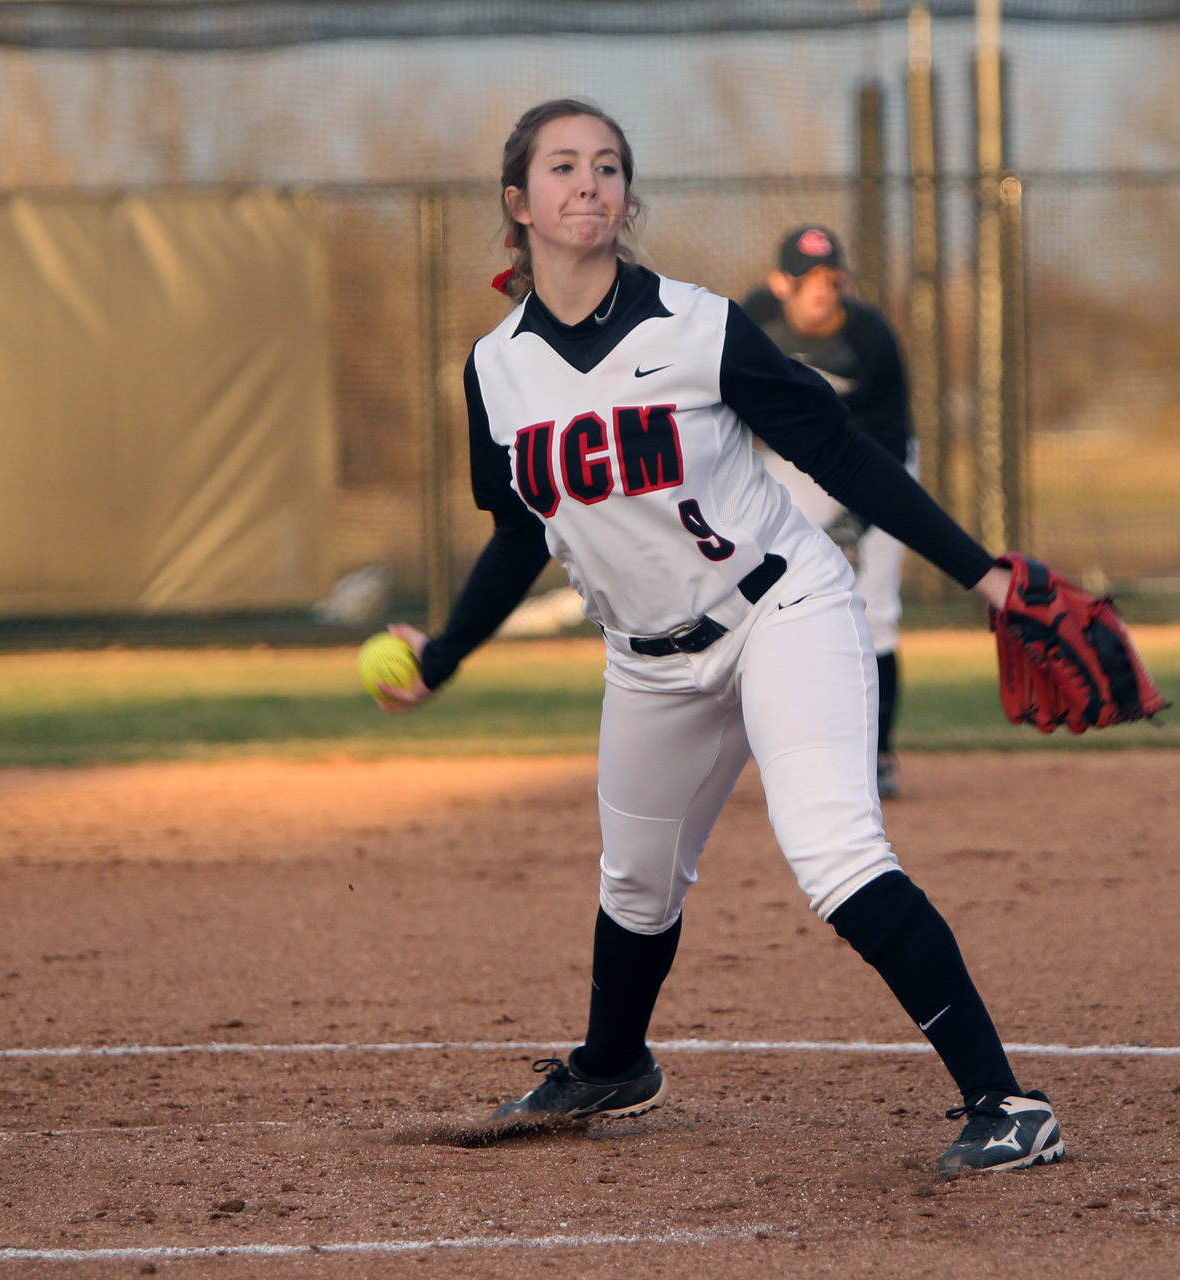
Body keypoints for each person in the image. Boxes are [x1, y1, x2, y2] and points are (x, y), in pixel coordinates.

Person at [373, 98, 1063, 1177]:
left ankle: (1006, 1101)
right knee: (637, 883)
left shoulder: (698, 327)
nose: (588, 183)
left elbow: (839, 451)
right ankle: (613, 1062)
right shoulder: (495, 369)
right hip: (648, 658)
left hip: (782, 611)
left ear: (627, 198)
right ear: (519, 205)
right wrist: (444, 654)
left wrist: (982, 573)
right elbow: (519, 527)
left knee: (835, 851)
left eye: (608, 165)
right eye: (562, 168)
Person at [742, 227, 914, 800]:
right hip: (793, 462)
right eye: (805, 279)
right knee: (770, 608)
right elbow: (727, 405)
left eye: (829, 279)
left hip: (875, 459)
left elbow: (889, 438)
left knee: (875, 609)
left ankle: (878, 755)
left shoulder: (870, 338)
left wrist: (860, 516)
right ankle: (791, 750)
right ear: (778, 284)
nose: (819, 290)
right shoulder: (754, 322)